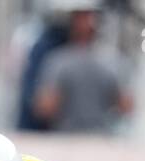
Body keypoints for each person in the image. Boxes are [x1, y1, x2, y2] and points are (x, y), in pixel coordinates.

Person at [33, 6, 132, 134]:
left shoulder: (112, 61)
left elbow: (126, 106)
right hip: (67, 138)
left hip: (97, 138)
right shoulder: (59, 60)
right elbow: (44, 108)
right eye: (82, 17)